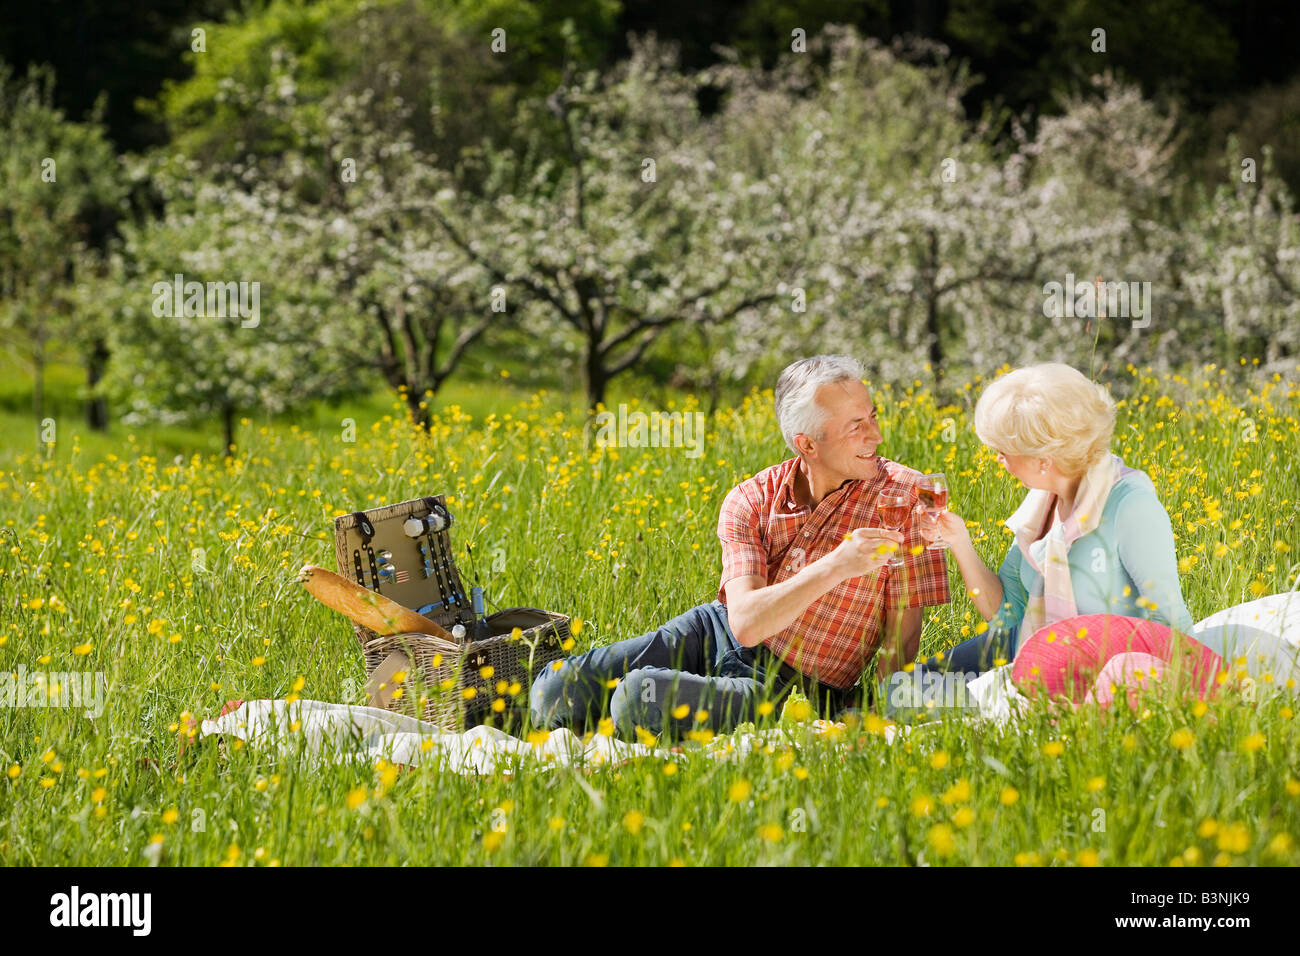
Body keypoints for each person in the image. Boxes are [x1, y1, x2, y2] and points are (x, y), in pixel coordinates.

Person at [529, 354, 951, 740]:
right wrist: (836, 565)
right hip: (713, 633)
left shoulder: (907, 496)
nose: (877, 435)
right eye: (857, 426)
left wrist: (879, 717)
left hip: (793, 684)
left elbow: (903, 639)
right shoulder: (750, 498)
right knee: (554, 687)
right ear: (807, 443)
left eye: (873, 416)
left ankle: (623, 721)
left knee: (639, 697)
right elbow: (745, 622)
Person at [910, 362, 1221, 706]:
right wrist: (960, 543)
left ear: (1043, 458)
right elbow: (1005, 615)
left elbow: (1169, 620)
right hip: (1028, 645)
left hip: (1097, 666)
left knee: (929, 706)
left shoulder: (1129, 505)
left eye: (1003, 451)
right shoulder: (1042, 503)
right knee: (903, 690)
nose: (997, 458)